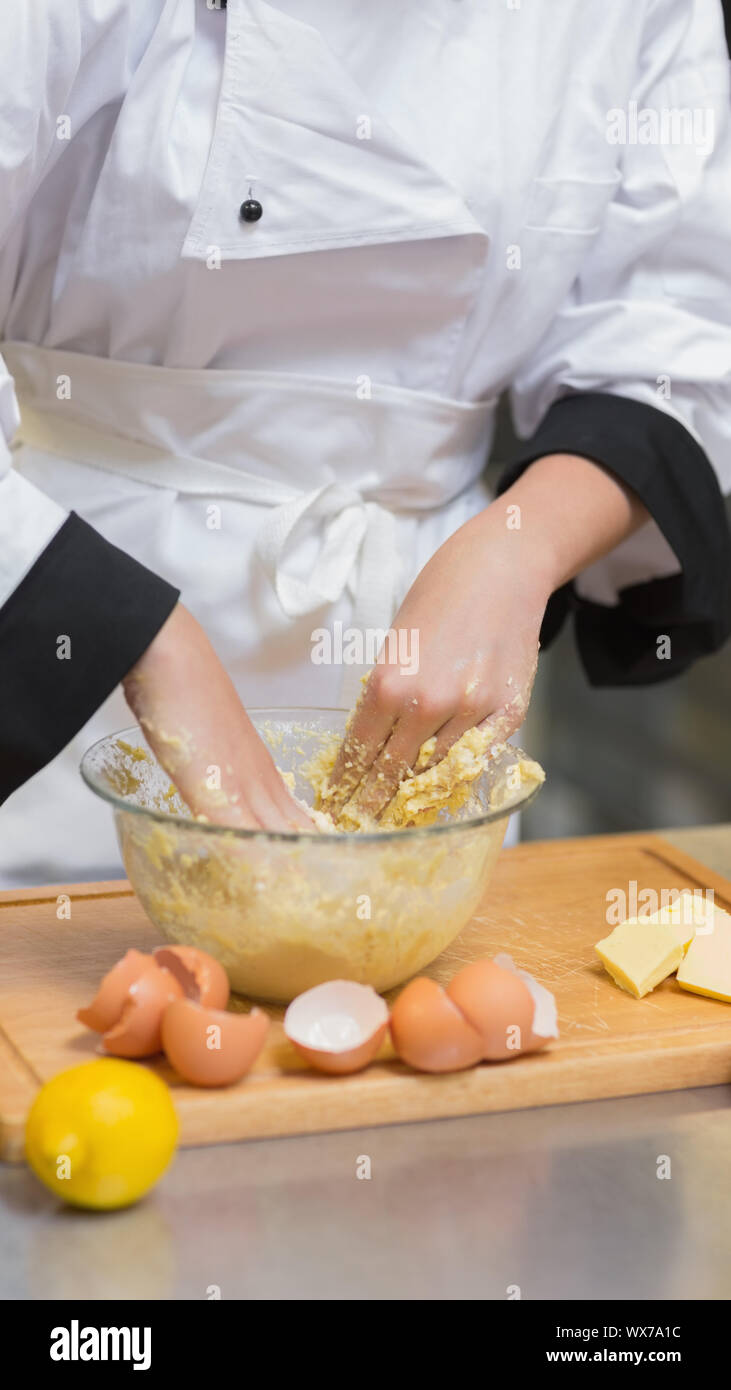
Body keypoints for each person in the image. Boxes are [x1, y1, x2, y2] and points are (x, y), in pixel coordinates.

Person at [1, 0, 730, 886]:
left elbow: (669, 329)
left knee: (417, 1002)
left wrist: (518, 547)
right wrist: (132, 633)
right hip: (63, 630)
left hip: (427, 655)